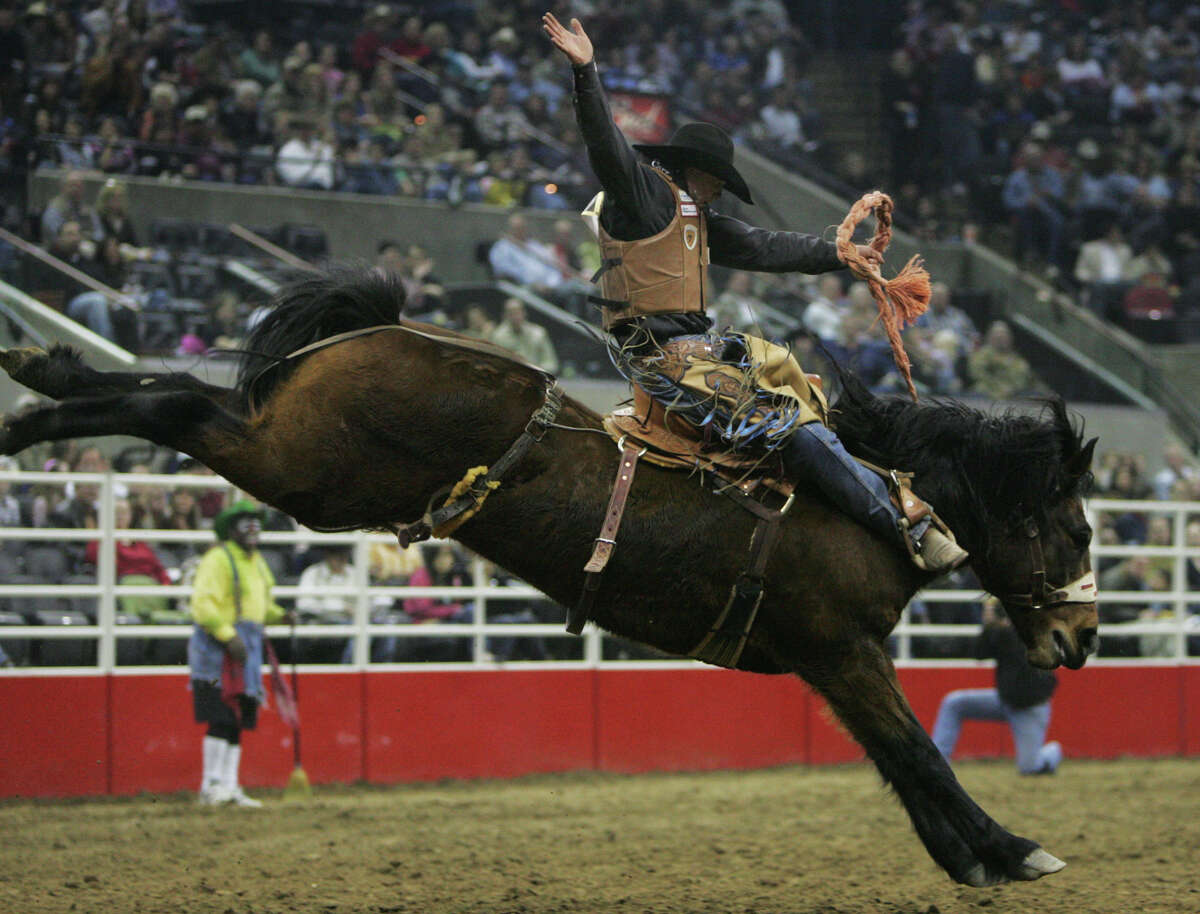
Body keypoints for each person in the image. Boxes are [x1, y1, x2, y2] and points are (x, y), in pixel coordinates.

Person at [543, 12, 966, 574]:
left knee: (809, 398)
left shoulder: (695, 214)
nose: (722, 189)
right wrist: (586, 74)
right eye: (717, 178)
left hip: (699, 355)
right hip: (664, 360)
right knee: (787, 424)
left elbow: (765, 246)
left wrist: (838, 253)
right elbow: (605, 142)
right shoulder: (642, 193)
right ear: (696, 170)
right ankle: (903, 525)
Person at [187, 500, 287, 807]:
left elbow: (261, 607)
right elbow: (203, 604)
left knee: (237, 719)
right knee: (220, 716)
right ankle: (210, 785)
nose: (253, 529)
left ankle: (229, 786)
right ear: (232, 530)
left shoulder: (257, 562)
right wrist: (228, 635)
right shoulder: (218, 559)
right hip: (218, 651)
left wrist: (281, 616)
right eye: (246, 523)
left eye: (255, 523)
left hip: (247, 651)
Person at [930, 599, 1062, 775]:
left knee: (1030, 768)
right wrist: (989, 626)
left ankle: (1052, 752)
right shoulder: (1001, 633)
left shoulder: (1032, 632)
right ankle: (937, 764)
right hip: (1005, 700)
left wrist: (1002, 627)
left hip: (1030, 708)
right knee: (953, 703)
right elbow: (979, 653)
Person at [490, 298, 559, 373]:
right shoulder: (498, 336)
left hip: (537, 374)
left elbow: (550, 362)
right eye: (511, 313)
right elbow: (495, 363)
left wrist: (539, 370)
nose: (515, 316)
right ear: (505, 315)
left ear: (524, 313)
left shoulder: (538, 333)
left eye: (517, 312)